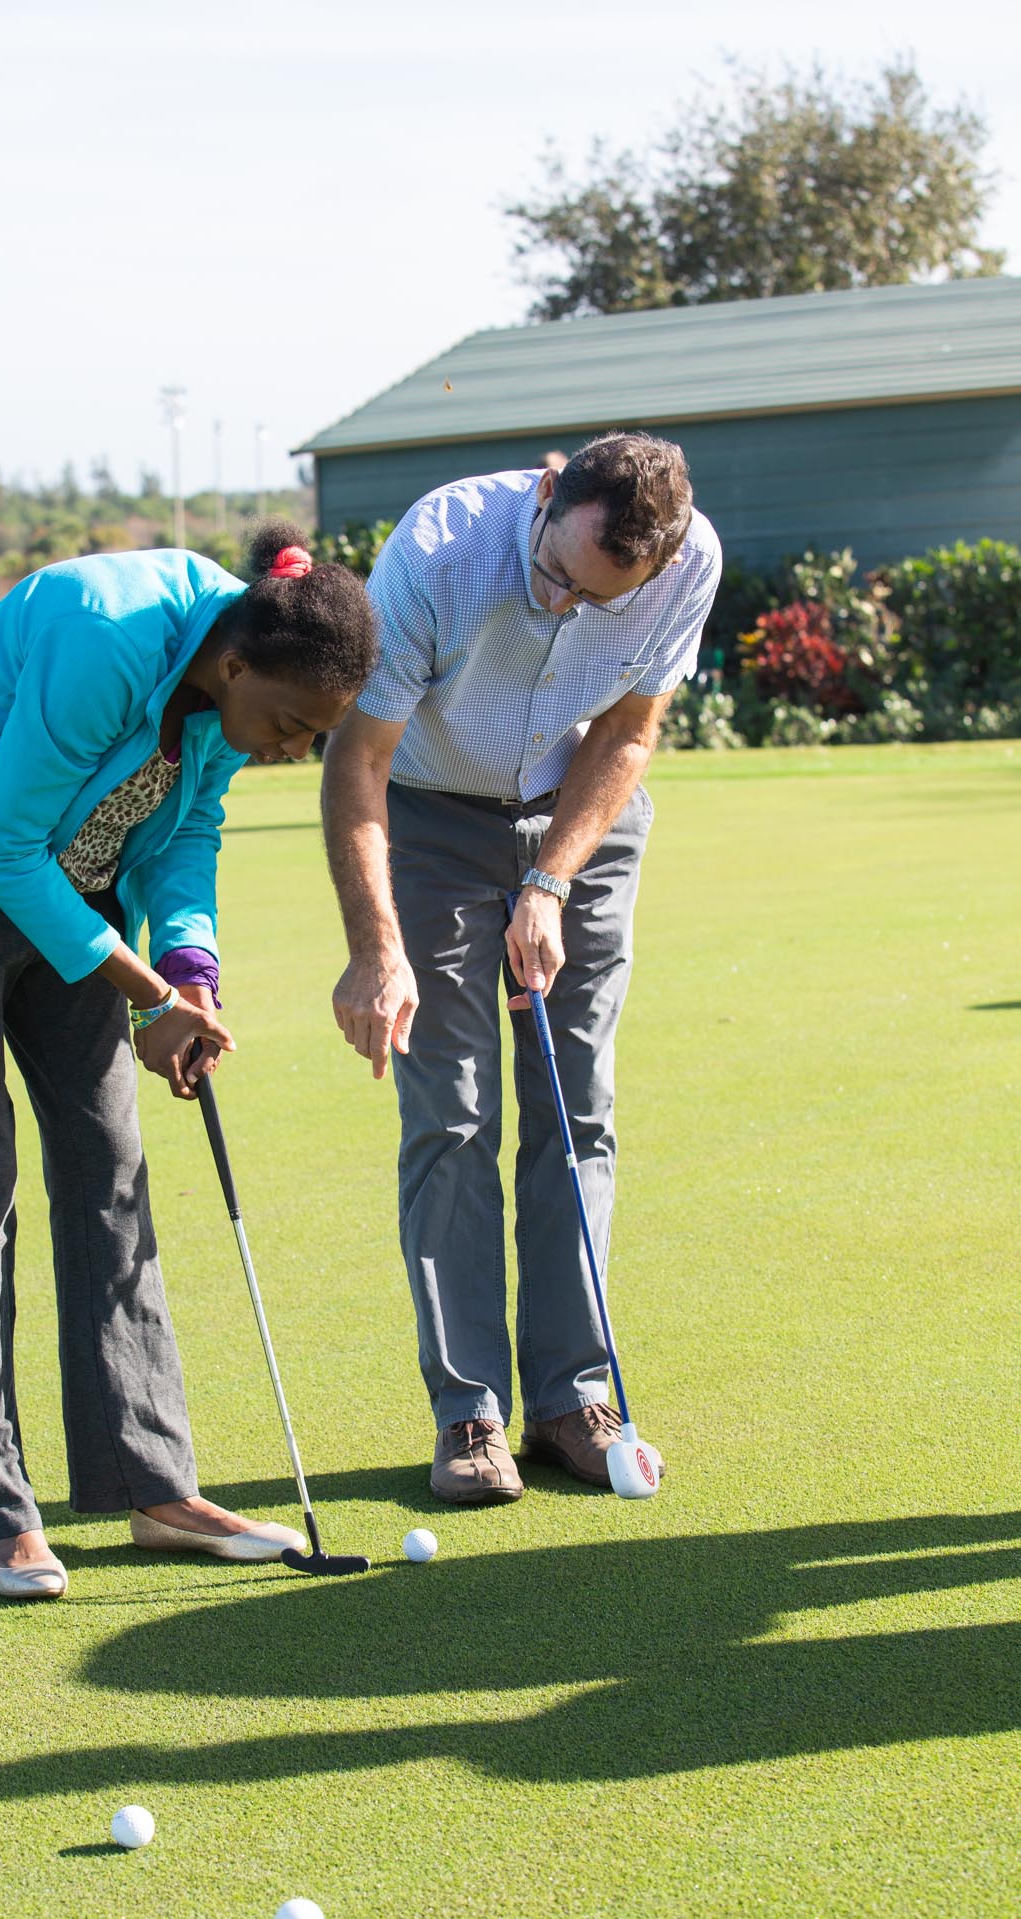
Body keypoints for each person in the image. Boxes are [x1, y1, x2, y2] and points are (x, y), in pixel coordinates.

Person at [0, 523, 378, 1597]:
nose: (292, 750)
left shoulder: (247, 667)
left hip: (74, 902)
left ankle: (152, 1486)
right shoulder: (107, 635)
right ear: (235, 667)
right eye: (289, 725)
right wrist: (149, 996)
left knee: (110, 1166)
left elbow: (187, 832)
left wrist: (190, 971)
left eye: (315, 737)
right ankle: (1, 1509)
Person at [321, 433, 721, 1503]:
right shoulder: (436, 552)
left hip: (580, 816)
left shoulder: (689, 562)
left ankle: (571, 1399)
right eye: (554, 573)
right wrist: (376, 946)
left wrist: (548, 882)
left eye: (593, 599)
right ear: (547, 491)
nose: (560, 605)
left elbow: (628, 731)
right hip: (430, 818)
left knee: (574, 1105)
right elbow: (359, 756)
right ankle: (469, 1411)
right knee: (451, 1116)